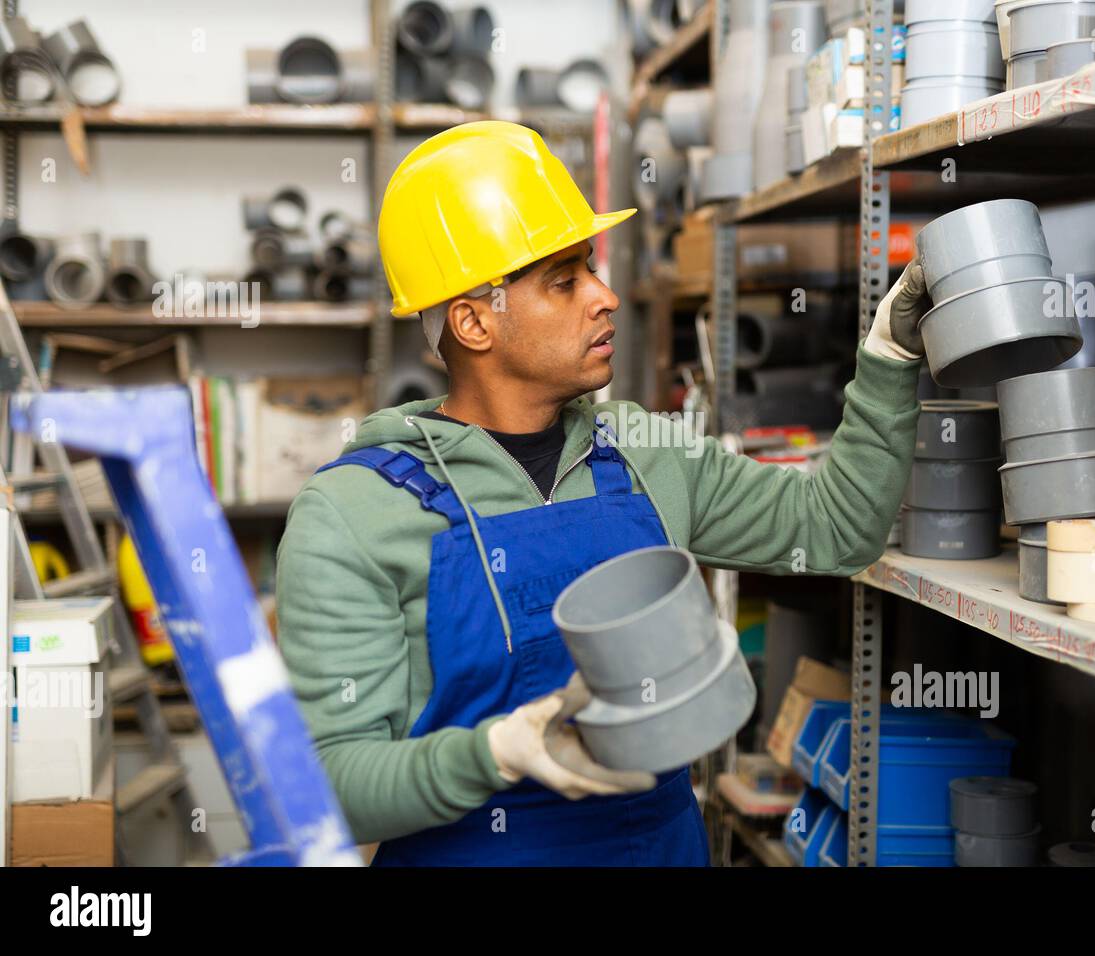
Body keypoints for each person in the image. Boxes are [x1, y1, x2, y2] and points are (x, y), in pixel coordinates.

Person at [276, 120, 929, 866]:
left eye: (593, 268)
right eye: (566, 280)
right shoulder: (354, 513)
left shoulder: (648, 451)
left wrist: (888, 356)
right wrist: (499, 752)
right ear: (473, 320)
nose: (607, 296)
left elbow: (837, 529)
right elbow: (328, 783)